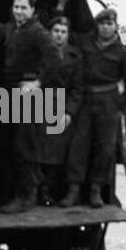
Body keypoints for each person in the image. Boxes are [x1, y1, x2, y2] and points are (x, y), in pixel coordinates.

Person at [0, 0, 55, 213]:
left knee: (25, 147)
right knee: (5, 144)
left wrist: (38, 83)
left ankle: (27, 197)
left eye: (23, 7)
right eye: (16, 6)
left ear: (32, 10)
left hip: (28, 95)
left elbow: (55, 57)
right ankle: (8, 193)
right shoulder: (13, 28)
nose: (19, 11)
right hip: (9, 92)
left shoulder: (38, 31)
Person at [62, 6, 126, 208]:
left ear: (115, 27)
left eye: (109, 24)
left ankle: (96, 190)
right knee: (78, 145)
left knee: (104, 148)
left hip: (108, 103)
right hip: (85, 99)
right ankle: (74, 190)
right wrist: (62, 6)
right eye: (102, 24)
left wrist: (118, 105)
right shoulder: (86, 43)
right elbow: (64, 33)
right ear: (97, 25)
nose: (105, 28)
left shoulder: (123, 53)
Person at [37, 12, 83, 202]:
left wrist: (69, 112)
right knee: (36, 150)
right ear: (50, 32)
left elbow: (78, 89)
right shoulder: (40, 52)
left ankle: (48, 190)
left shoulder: (75, 56)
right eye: (56, 30)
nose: (59, 35)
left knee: (56, 154)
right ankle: (36, 191)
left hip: (60, 106)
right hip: (39, 104)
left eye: (63, 31)